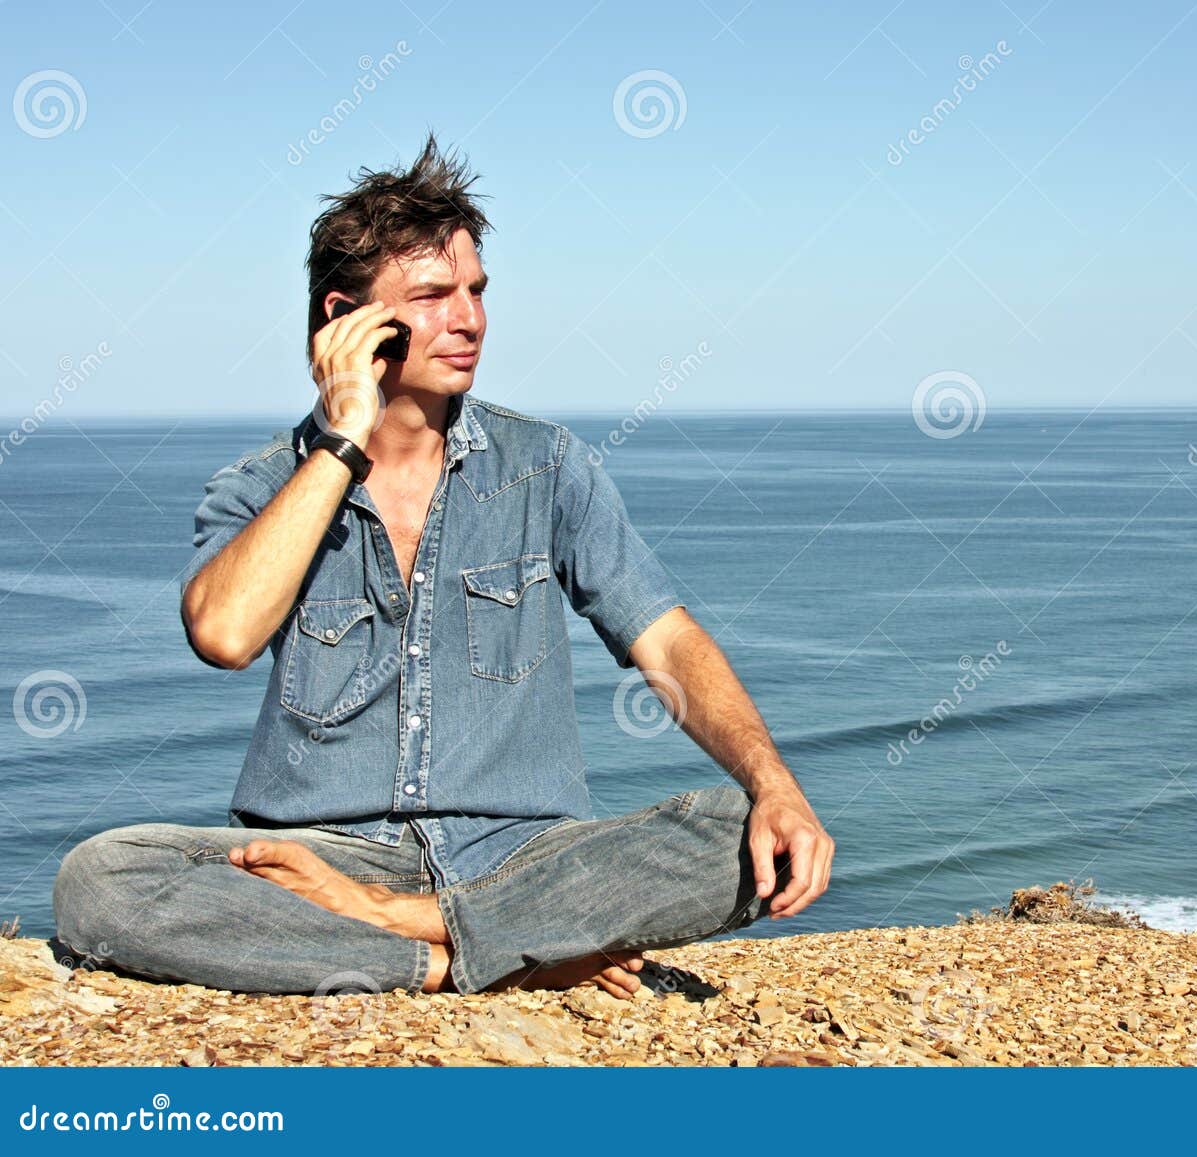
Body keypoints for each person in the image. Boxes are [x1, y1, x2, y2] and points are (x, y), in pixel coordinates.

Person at [51, 134, 834, 998]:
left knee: (740, 832)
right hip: (320, 850)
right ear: (346, 318)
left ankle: (400, 922)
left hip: (521, 851)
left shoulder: (548, 466)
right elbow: (225, 633)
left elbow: (666, 640)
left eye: (477, 291)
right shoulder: (262, 487)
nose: (469, 319)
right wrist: (343, 441)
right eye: (432, 296)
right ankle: (474, 955)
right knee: (100, 879)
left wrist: (774, 784)